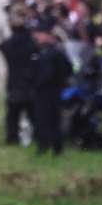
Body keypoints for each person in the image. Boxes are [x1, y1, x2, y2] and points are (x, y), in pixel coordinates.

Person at [30, 25, 72, 156]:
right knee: (51, 120)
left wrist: (38, 84)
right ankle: (54, 147)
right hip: (53, 91)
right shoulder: (47, 52)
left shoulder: (51, 53)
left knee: (46, 120)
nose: (36, 37)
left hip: (47, 91)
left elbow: (52, 73)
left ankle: (47, 146)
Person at [0, 10, 37, 145]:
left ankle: (12, 138)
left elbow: (2, 46)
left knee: (14, 114)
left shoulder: (11, 44)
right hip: (27, 81)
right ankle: (34, 136)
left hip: (17, 82)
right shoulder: (29, 41)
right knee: (30, 113)